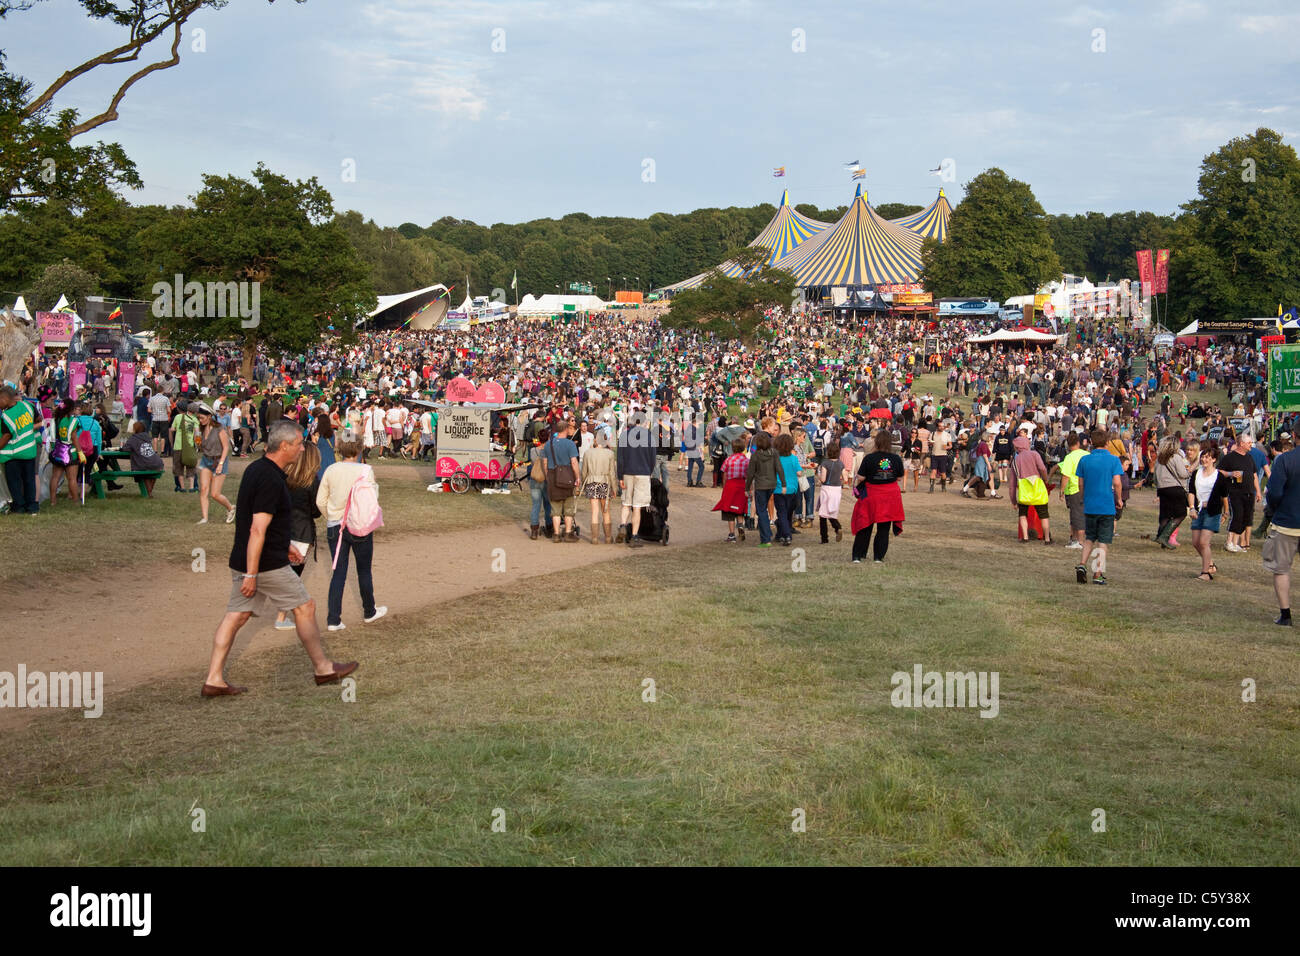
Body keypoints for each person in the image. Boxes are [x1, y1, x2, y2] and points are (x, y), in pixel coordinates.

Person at [202, 419, 358, 697]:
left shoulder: (256, 469)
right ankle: (323, 668)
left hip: (249, 558)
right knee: (305, 607)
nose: (301, 450)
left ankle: (214, 679)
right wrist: (252, 573)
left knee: (236, 616)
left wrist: (285, 544)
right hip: (265, 564)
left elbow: (261, 523)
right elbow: (257, 528)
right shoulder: (272, 479)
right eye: (298, 445)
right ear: (284, 445)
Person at [316, 428, 387, 630]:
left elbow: (320, 500)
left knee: (338, 573)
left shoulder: (331, 470)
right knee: (363, 570)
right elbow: (372, 498)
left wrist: (331, 517)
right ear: (359, 448)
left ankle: (333, 619)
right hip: (359, 526)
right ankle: (369, 611)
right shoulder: (365, 470)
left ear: (338, 448)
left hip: (335, 526)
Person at [275, 441, 322, 630]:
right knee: (293, 578)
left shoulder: (284, 477)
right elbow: (316, 510)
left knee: (286, 575)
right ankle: (281, 617)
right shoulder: (311, 481)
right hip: (302, 534)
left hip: (284, 531)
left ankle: (283, 613)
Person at [1074, 429, 1124, 586]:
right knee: (1103, 540)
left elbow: (1080, 483)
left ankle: (1082, 564)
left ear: (1091, 443)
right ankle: (1097, 573)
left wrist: (1083, 497)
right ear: (1107, 443)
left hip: (1090, 505)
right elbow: (1116, 482)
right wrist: (1119, 499)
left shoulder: (1084, 460)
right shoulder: (1114, 460)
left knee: (1089, 538)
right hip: (1106, 505)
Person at [850, 429, 905, 564]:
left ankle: (858, 555)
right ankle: (878, 557)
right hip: (889, 496)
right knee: (883, 528)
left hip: (872, 494)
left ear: (877, 442)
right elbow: (899, 477)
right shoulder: (896, 458)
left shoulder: (869, 458)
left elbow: (861, 477)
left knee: (865, 525)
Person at [1262, 438, 1300, 625]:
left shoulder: (1285, 460)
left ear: (1295, 435)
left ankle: (1286, 615)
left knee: (1281, 569)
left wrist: (1278, 508)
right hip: (1287, 520)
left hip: (1287, 522)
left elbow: (1274, 492)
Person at [1188, 446, 1231, 582]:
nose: (1204, 459)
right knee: (1196, 542)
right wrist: (1191, 508)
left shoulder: (1219, 476)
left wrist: (1226, 513)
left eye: (1207, 457)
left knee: (1204, 542)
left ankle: (1205, 573)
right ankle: (1210, 563)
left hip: (1213, 511)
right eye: (1203, 456)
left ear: (1213, 459)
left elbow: (1224, 496)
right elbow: (1191, 492)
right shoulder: (1196, 474)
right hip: (1198, 511)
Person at [616, 410, 655, 548]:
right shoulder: (649, 436)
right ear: (644, 422)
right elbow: (652, 459)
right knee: (637, 507)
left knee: (626, 503)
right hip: (643, 472)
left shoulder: (625, 435)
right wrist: (648, 471)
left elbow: (619, 458)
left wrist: (620, 476)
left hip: (627, 472)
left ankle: (622, 525)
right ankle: (634, 536)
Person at [0, 384, 40, 514]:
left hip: (13, 455)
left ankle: (19, 506)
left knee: (15, 483)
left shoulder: (7, 416)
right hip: (29, 451)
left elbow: (6, 435)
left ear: (5, 398)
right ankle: (32, 506)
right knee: (29, 480)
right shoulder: (28, 406)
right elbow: (38, 419)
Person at [1219, 433, 1261, 554]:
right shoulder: (1230, 457)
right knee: (1237, 516)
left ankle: (1235, 543)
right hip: (1235, 492)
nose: (1251, 445)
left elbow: (1254, 475)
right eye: (1249, 443)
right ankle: (1229, 542)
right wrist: (1230, 474)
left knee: (1245, 518)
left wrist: (1258, 491)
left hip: (1249, 492)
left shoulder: (1249, 457)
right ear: (1241, 443)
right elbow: (1219, 471)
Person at [193, 402, 234, 524]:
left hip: (219, 460)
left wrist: (221, 464)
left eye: (202, 418)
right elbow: (201, 447)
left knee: (215, 494)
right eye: (198, 418)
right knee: (204, 489)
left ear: (209, 416)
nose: (200, 420)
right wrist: (197, 443)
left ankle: (231, 508)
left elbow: (226, 447)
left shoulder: (219, 428)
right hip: (206, 460)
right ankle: (204, 518)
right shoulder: (200, 429)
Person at [541, 418, 582, 541]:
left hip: (553, 476)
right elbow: (574, 463)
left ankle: (556, 534)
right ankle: (568, 533)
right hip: (568, 476)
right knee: (568, 507)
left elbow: (544, 462)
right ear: (565, 429)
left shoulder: (549, 444)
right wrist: (578, 477)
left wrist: (547, 475)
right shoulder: (570, 444)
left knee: (555, 508)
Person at [1010, 433, 1051, 544]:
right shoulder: (1034, 454)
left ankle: (1025, 537)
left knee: (1022, 514)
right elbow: (1042, 468)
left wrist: (1013, 500)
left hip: (1024, 491)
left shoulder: (1015, 461)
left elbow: (1012, 484)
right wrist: (1045, 479)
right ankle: (1047, 538)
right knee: (1044, 514)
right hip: (1037, 487)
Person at [581, 427, 618, 544]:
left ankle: (595, 538)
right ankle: (607, 537)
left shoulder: (588, 453)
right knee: (605, 511)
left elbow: (584, 472)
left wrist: (583, 484)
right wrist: (614, 488)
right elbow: (612, 473)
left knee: (594, 511)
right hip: (605, 482)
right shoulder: (610, 454)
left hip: (591, 481)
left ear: (595, 440)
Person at [1152, 437, 1191, 549]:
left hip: (1162, 488)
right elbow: (1182, 474)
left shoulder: (1160, 458)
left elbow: (1155, 476)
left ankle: (1160, 535)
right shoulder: (1175, 457)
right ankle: (1164, 537)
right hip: (1175, 488)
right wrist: (1188, 472)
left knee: (1165, 514)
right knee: (1181, 514)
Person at [712, 436, 751, 541]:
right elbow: (749, 475)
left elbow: (724, 474)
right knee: (739, 508)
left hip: (731, 485)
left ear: (732, 448)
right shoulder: (746, 460)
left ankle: (732, 534)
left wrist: (724, 486)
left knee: (729, 511)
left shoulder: (729, 459)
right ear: (743, 448)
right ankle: (741, 525)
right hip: (742, 485)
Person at [745, 430, 778, 546]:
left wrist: (747, 487)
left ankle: (766, 537)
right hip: (772, 484)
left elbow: (750, 474)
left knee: (761, 510)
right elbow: (778, 469)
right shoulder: (773, 453)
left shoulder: (755, 456)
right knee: (762, 509)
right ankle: (767, 533)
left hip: (760, 485)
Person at [1056, 431, 1086, 548]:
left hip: (1074, 489)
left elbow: (1066, 475)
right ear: (1078, 443)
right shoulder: (1086, 454)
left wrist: (1061, 490)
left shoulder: (1069, 457)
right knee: (1076, 515)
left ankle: (1080, 541)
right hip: (1086, 487)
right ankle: (1074, 539)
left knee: (1077, 515)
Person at [121, 420, 165, 496]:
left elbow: (125, 449)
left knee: (145, 472)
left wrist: (121, 448)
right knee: (151, 471)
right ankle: (149, 491)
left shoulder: (133, 438)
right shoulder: (147, 437)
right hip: (157, 462)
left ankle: (149, 492)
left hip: (145, 463)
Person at [772, 432, 801, 546]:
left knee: (782, 514)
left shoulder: (776, 458)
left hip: (779, 489)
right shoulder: (793, 458)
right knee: (787, 514)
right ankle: (783, 534)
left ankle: (785, 535)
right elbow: (799, 472)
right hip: (792, 490)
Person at [816, 439, 845, 543]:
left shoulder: (825, 463)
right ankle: (837, 527)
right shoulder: (841, 463)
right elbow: (844, 478)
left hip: (827, 489)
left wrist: (818, 474)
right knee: (832, 512)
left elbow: (823, 479)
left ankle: (825, 538)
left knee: (823, 514)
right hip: (837, 489)